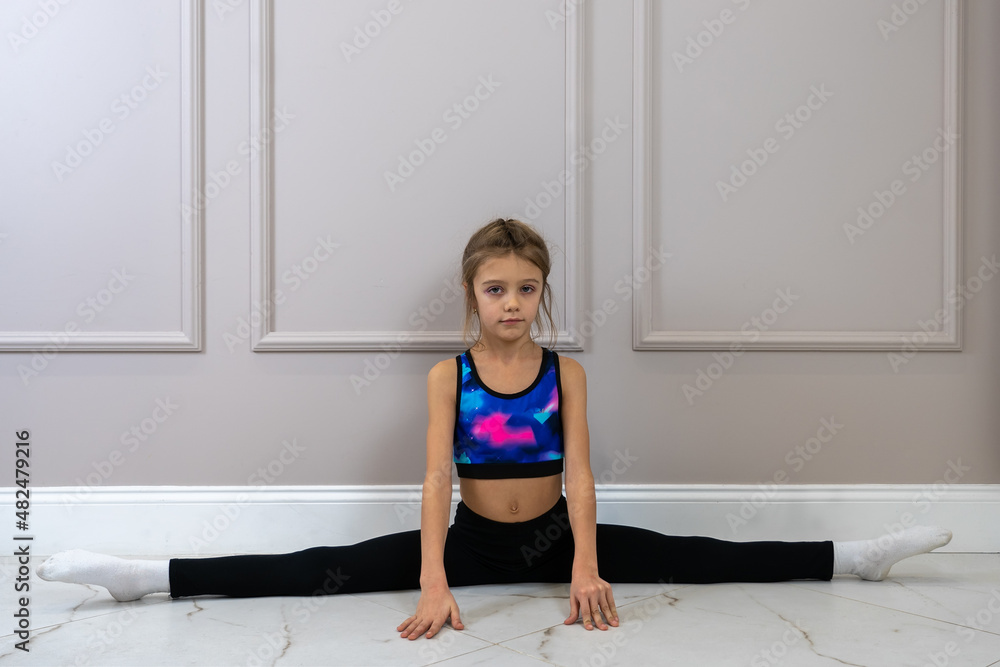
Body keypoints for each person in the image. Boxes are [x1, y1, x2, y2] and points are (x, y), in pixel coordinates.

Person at [38, 218, 952, 640]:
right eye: (494, 288)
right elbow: (436, 482)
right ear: (470, 292)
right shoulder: (451, 375)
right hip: (471, 544)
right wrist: (434, 577)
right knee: (321, 565)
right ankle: (144, 577)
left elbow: (583, 477)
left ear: (540, 292)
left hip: (559, 538)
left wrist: (587, 563)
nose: (511, 303)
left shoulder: (566, 372)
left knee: (701, 550)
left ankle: (853, 556)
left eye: (526, 288)